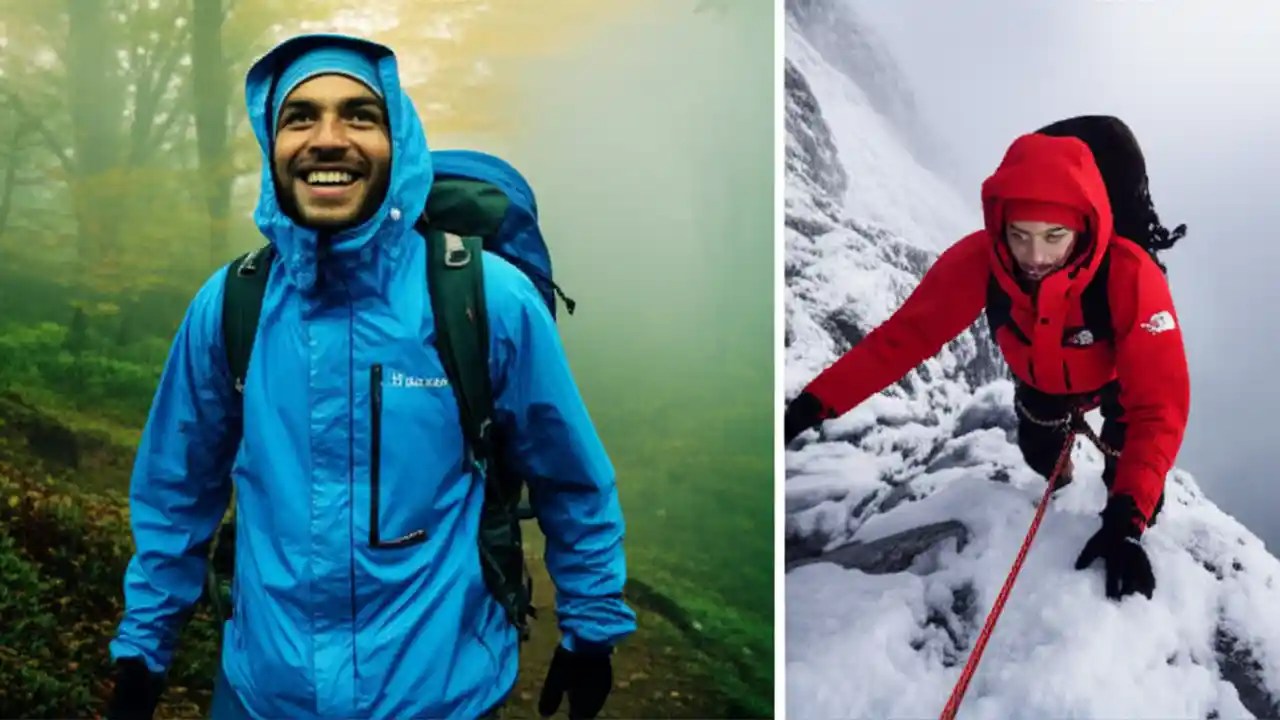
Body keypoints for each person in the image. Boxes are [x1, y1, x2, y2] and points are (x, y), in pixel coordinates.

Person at [104, 32, 635, 720]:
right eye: (300, 117)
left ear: (400, 142)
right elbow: (177, 487)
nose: (328, 139)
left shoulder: (487, 298)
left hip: (445, 700)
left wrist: (591, 629)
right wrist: (143, 651)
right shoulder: (233, 303)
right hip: (263, 696)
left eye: (360, 114)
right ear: (271, 145)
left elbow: (570, 476)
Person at [785, 128, 1190, 602]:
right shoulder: (983, 260)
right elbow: (901, 340)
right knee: (1040, 455)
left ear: (1084, 227)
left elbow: (1158, 405)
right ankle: (1059, 484)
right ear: (1001, 227)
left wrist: (1127, 521)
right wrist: (812, 405)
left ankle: (1116, 509)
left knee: (1131, 483)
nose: (1035, 258)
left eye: (1054, 237)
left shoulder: (1130, 275)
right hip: (1040, 383)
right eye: (1020, 236)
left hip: (1117, 385)